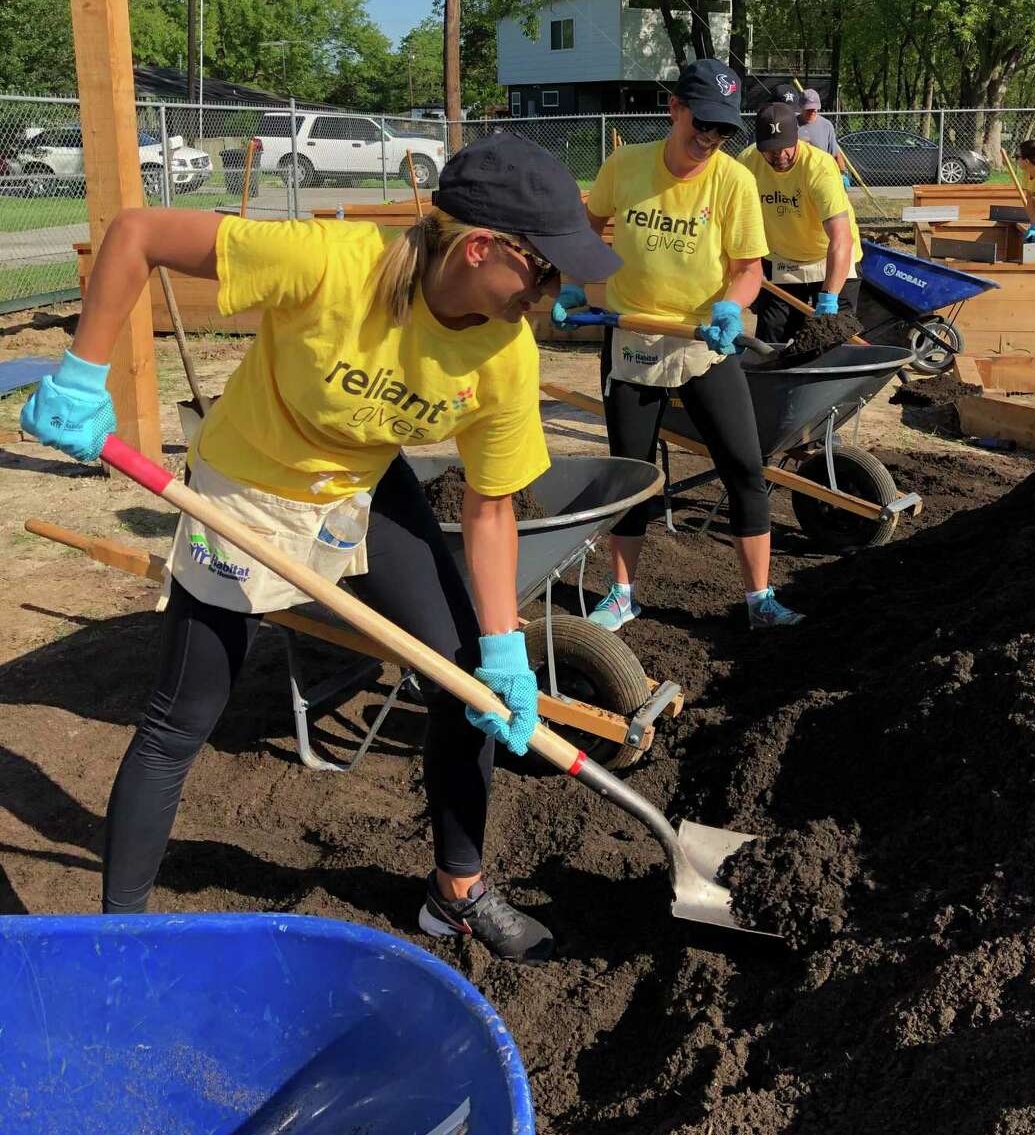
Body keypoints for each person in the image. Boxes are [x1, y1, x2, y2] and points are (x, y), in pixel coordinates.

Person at [19, 132, 620, 963]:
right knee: (180, 720)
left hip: (359, 487)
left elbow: (490, 508)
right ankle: (121, 934)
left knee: (466, 684)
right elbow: (138, 233)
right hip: (247, 486)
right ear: (482, 248)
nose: (553, 296)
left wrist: (505, 648)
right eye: (544, 272)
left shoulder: (504, 353)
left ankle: (456, 894)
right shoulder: (331, 261)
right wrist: (85, 371)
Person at [555, 59, 802, 634]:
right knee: (632, 473)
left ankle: (759, 598)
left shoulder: (732, 180)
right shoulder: (627, 166)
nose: (709, 140)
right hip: (635, 336)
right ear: (674, 109)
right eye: (702, 125)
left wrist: (730, 306)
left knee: (744, 466)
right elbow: (584, 227)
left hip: (703, 343)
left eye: (721, 131)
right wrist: (570, 280)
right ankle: (622, 593)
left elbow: (748, 269)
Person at [739, 103, 863, 344]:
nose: (780, 156)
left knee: (834, 338)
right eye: (771, 150)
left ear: (796, 138)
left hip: (832, 257)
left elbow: (841, 238)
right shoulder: (747, 164)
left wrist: (829, 298)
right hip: (783, 260)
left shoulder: (820, 167)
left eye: (785, 147)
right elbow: (737, 224)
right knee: (773, 334)